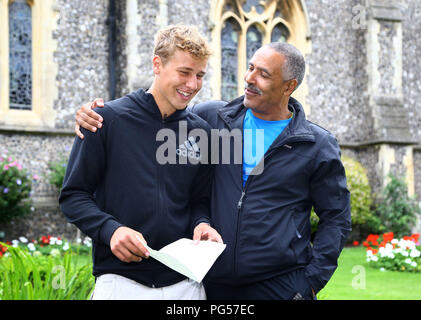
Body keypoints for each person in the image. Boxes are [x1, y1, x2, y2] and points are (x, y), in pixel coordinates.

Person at [74, 41, 351, 300]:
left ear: (288, 86)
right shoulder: (213, 119)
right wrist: (95, 114)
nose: (249, 78)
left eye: (263, 74)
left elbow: (336, 218)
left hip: (279, 285)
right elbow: (160, 111)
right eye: (250, 67)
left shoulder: (316, 144)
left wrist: (311, 281)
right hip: (211, 283)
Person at [59, 25, 223, 300]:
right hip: (120, 281)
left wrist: (202, 224)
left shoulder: (202, 133)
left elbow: (199, 201)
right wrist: (110, 230)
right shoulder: (105, 120)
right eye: (184, 72)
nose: (193, 84)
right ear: (157, 64)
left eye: (199, 75)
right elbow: (73, 196)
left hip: (185, 285)